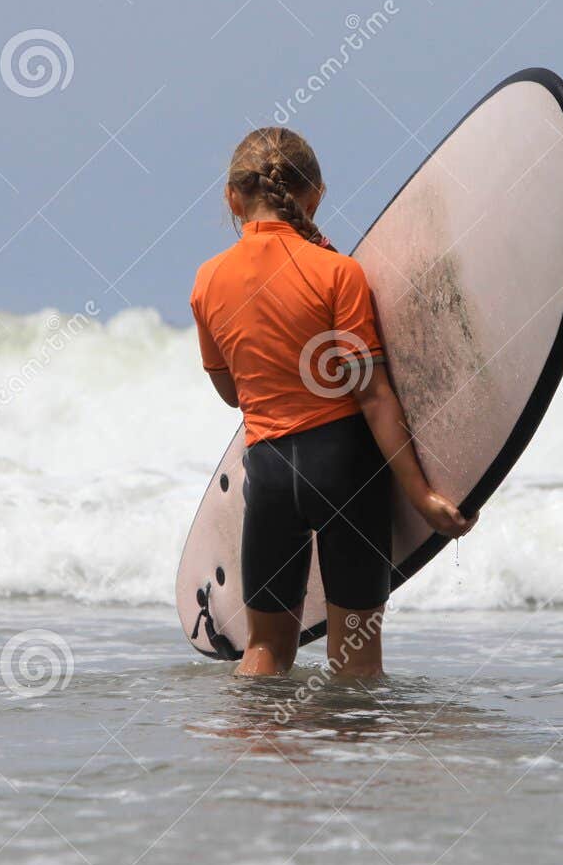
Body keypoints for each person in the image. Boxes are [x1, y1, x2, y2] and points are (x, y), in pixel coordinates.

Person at [191, 126, 477, 680]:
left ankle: (252, 761)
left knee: (265, 652)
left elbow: (232, 395)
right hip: (345, 471)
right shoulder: (338, 273)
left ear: (232, 197)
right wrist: (423, 498)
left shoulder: (207, 281)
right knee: (354, 663)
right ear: (315, 195)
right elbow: (373, 397)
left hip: (269, 471)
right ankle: (347, 765)